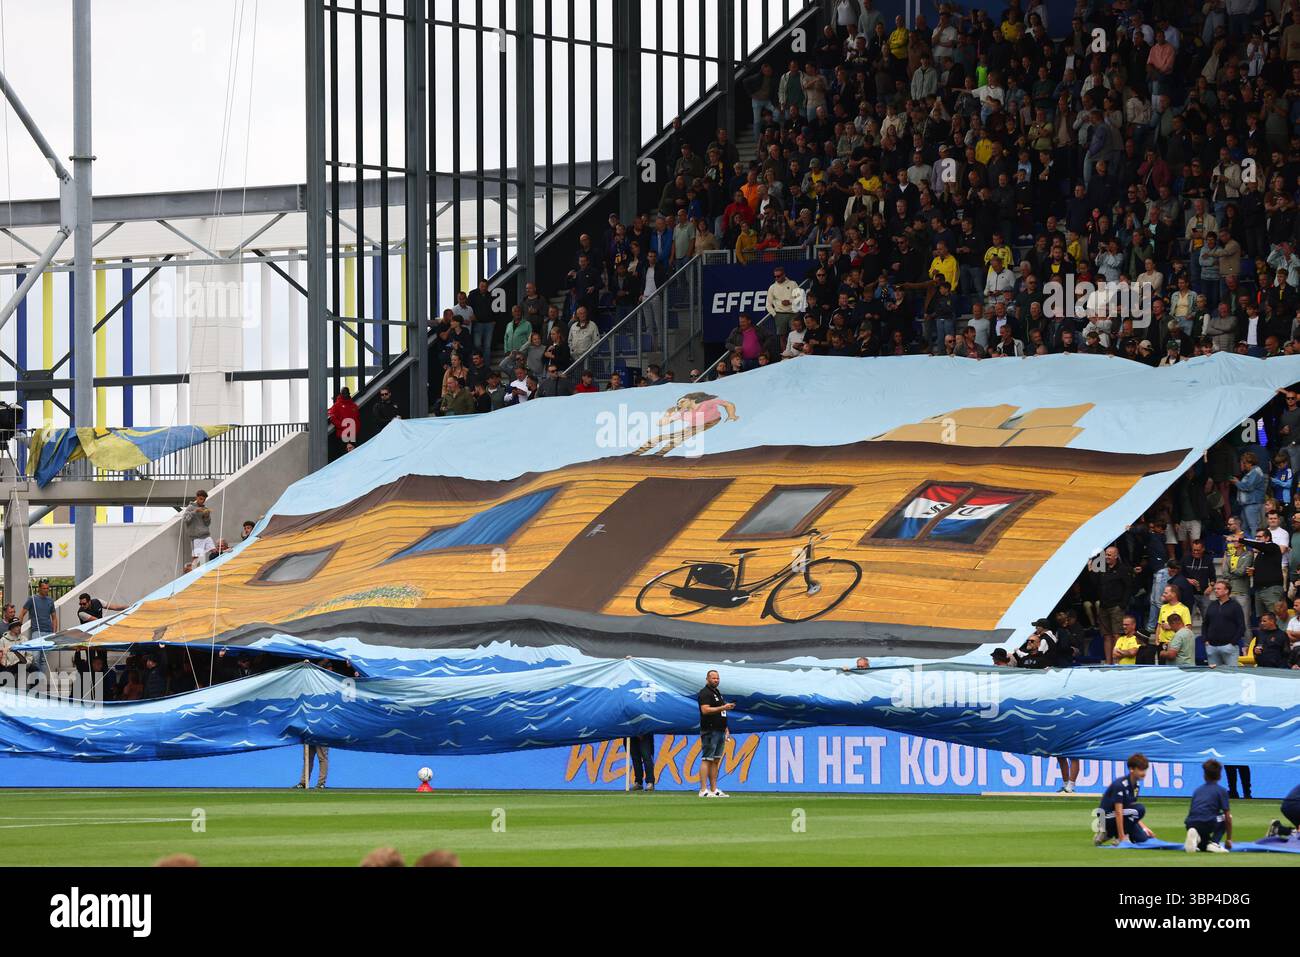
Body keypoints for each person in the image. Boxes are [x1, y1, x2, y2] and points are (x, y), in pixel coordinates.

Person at [1092, 753, 1157, 845]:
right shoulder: (1120, 785)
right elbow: (1119, 812)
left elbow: (1129, 811)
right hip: (1106, 817)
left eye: (1145, 770)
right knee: (1140, 808)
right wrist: (1121, 837)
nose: (1144, 773)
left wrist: (1144, 828)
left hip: (1118, 815)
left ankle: (1108, 834)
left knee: (1143, 839)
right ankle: (1113, 834)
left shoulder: (1136, 785)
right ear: (1131, 769)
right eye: (1141, 770)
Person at [697, 669, 735, 798]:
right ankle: (703, 790)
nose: (716, 680)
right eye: (713, 678)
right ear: (707, 679)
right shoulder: (705, 693)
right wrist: (723, 707)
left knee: (716, 760)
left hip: (719, 730)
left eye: (718, 678)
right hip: (709, 730)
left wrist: (725, 728)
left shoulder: (717, 693)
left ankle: (714, 789)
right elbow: (705, 710)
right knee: (707, 759)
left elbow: (721, 713)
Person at [1183, 759, 1233, 853]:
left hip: (1190, 823)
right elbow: (1227, 817)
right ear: (1219, 775)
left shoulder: (1198, 790)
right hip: (1208, 822)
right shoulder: (1221, 790)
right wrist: (1228, 839)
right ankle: (1214, 843)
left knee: (1203, 846)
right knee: (1227, 817)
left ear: (1204, 775)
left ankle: (1196, 837)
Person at [1202, 579, 1246, 668]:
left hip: (1229, 647)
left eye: (1218, 589)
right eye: (1215, 589)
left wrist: (1232, 643)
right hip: (1212, 647)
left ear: (1226, 591)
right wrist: (1206, 640)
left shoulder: (1235, 606)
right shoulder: (1212, 605)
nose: (1215, 591)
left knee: (1232, 676)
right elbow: (1205, 624)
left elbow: (1241, 626)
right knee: (1214, 676)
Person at [19, 579, 58, 674]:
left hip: (48, 632)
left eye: (47, 588)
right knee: (35, 657)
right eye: (44, 588)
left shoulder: (50, 600)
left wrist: (54, 633)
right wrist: (18, 628)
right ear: (39, 588)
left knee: (44, 659)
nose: (46, 590)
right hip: (36, 631)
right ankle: (38, 680)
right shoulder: (32, 599)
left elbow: (54, 618)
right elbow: (22, 613)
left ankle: (41, 681)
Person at [182, 490, 215, 569]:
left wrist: (206, 516)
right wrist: (194, 511)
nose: (202, 501)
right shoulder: (190, 507)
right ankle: (193, 572)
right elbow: (185, 520)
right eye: (200, 499)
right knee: (198, 558)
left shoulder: (205, 508)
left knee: (215, 551)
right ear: (197, 497)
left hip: (206, 535)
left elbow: (207, 524)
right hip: (196, 537)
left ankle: (214, 568)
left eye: (203, 499)